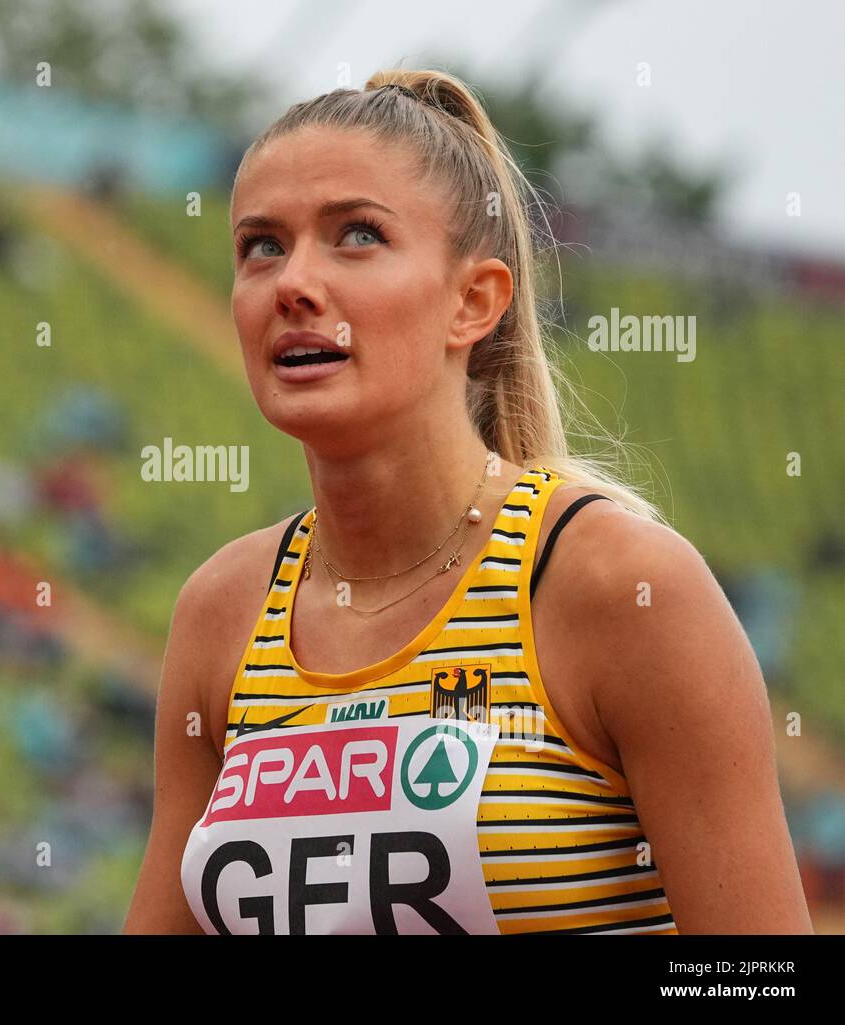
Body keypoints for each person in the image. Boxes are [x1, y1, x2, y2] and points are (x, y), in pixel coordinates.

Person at [123, 69, 812, 935]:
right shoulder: (223, 609)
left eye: (357, 235)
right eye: (261, 245)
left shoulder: (620, 588)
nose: (293, 283)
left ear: (474, 301)